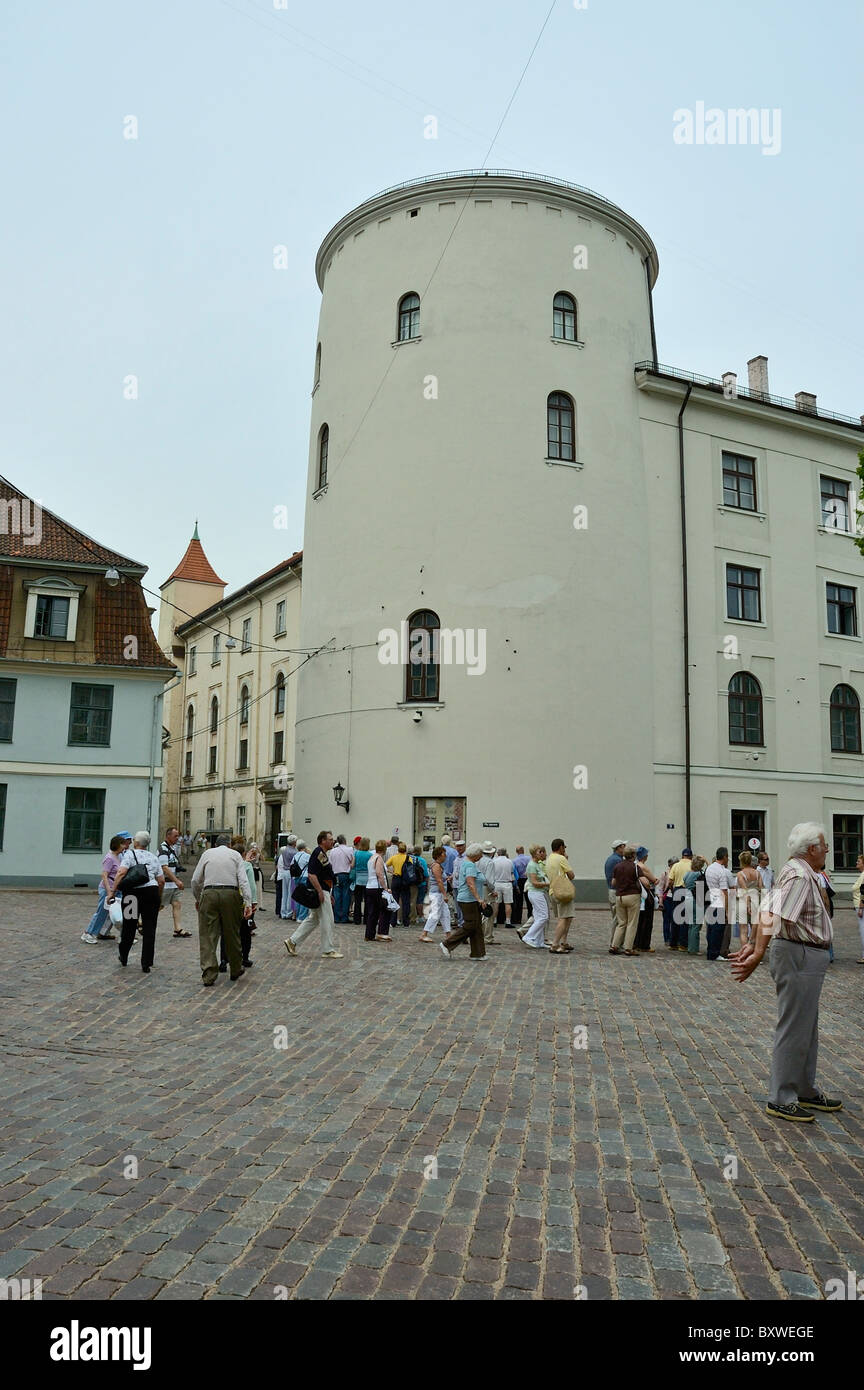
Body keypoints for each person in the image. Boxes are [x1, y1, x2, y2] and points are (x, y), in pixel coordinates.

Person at [731, 822, 841, 1123]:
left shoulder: (799, 872)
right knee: (794, 1026)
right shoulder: (800, 876)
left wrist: (754, 942)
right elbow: (771, 913)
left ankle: (803, 1087)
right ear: (812, 849)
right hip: (799, 954)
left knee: (806, 1027)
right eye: (824, 844)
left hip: (804, 955)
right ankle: (782, 1096)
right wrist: (757, 952)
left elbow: (767, 906)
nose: (828, 849)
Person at [191, 832, 253, 986]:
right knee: (232, 933)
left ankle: (209, 974)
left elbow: (195, 880)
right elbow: (243, 881)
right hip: (231, 893)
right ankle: (236, 968)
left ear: (215, 844)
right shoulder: (235, 855)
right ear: (230, 844)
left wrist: (198, 898)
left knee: (208, 935)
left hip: (209, 892)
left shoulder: (207, 854)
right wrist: (248, 902)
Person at [109, 831, 165, 973]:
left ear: (136, 842)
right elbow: (161, 881)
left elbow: (121, 873)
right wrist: (158, 898)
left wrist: (113, 891)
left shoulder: (129, 854)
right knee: (149, 928)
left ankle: (124, 955)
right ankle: (146, 962)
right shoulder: (153, 857)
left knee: (129, 925)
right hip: (151, 894)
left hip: (132, 895)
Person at [284, 830, 342, 959]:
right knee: (328, 920)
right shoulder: (318, 853)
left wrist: (328, 892)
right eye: (330, 839)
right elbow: (312, 874)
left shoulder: (322, 854)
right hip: (319, 891)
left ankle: (292, 941)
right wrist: (321, 891)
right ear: (323, 841)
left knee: (313, 919)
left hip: (323, 890)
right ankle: (328, 949)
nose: (333, 841)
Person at [440, 843, 487, 960]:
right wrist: (479, 898)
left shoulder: (466, 863)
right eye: (480, 854)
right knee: (470, 925)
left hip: (468, 899)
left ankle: (478, 953)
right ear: (476, 855)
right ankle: (447, 944)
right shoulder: (470, 865)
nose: (481, 857)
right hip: (469, 900)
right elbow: (470, 883)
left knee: (476, 926)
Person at [81, 834, 126, 942]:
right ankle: (88, 933)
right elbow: (104, 875)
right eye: (123, 844)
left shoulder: (117, 856)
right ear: (117, 845)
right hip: (107, 890)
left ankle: (104, 932)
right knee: (101, 912)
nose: (125, 846)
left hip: (115, 890)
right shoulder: (109, 858)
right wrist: (109, 891)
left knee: (113, 914)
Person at [704, 847, 737, 961]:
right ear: (724, 857)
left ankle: (710, 951)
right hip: (719, 903)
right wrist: (727, 910)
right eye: (727, 857)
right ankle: (714, 953)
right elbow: (724, 892)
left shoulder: (709, 868)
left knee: (711, 929)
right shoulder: (722, 871)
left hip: (711, 900)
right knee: (718, 931)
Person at [545, 837, 576, 952]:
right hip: (563, 892)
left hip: (553, 891)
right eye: (564, 847)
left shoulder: (549, 859)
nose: (565, 850)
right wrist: (566, 860)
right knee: (563, 919)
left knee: (567, 917)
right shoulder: (561, 859)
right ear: (561, 847)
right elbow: (571, 876)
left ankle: (564, 941)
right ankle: (556, 944)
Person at [157, 827, 190, 938]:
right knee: (159, 906)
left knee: (177, 904)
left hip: (173, 884)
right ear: (168, 836)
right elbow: (164, 868)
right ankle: (143, 921)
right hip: (166, 884)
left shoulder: (171, 848)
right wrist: (177, 881)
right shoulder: (163, 849)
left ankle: (178, 928)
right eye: (175, 836)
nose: (178, 838)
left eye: (178, 836)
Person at [610, 845, 641, 956]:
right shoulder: (635, 867)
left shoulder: (617, 866)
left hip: (620, 896)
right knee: (632, 923)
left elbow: (613, 883)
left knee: (621, 923)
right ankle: (628, 948)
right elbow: (643, 881)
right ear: (633, 855)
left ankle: (614, 945)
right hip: (632, 895)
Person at [519, 845, 550, 950]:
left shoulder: (536, 864)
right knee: (544, 916)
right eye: (540, 852)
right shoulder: (532, 865)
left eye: (542, 851)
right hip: (536, 892)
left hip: (538, 893)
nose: (543, 853)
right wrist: (548, 884)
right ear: (535, 854)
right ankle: (529, 936)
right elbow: (534, 882)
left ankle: (539, 941)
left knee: (538, 916)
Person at [419, 846, 450, 941]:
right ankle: (424, 934)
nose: (445, 856)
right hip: (437, 894)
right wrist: (445, 894)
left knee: (445, 914)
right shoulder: (436, 866)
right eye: (444, 854)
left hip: (438, 893)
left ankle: (448, 934)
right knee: (435, 914)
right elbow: (439, 881)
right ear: (439, 855)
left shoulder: (438, 866)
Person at [667, 848, 694, 951]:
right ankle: (683, 944)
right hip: (688, 890)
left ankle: (673, 943)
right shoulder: (692, 865)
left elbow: (670, 881)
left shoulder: (675, 865)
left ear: (682, 856)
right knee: (685, 918)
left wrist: (672, 890)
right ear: (691, 856)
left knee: (675, 917)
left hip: (677, 890)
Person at [633, 848, 659, 953]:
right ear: (644, 856)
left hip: (637, 895)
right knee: (647, 921)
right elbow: (653, 880)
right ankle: (644, 944)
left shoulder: (634, 865)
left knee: (639, 921)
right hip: (646, 895)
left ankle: (636, 942)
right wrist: (657, 880)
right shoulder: (643, 867)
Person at [364, 839, 389, 942]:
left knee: (372, 912)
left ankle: (369, 934)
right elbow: (379, 873)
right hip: (377, 887)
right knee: (385, 909)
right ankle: (382, 932)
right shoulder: (379, 858)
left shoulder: (371, 858)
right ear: (384, 849)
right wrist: (385, 888)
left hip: (369, 886)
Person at [736, 850, 761, 947]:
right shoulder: (757, 873)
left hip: (743, 902)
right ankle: (753, 951)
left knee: (743, 930)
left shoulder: (740, 874)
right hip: (756, 901)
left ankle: (744, 952)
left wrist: (747, 904)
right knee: (755, 929)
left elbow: (745, 890)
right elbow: (761, 887)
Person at [683, 854, 707, 954]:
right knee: (696, 925)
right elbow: (709, 871)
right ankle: (693, 949)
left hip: (687, 898)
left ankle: (690, 947)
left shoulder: (687, 874)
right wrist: (706, 860)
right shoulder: (698, 874)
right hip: (696, 899)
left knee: (691, 924)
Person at [604, 839, 627, 942]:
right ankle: (615, 942)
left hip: (612, 890)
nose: (625, 848)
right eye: (623, 846)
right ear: (618, 848)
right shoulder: (617, 860)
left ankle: (616, 942)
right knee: (618, 919)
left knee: (617, 917)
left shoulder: (611, 858)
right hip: (616, 891)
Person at [477, 841, 500, 945]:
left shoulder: (477, 860)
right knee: (488, 913)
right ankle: (487, 937)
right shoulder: (489, 862)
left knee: (480, 912)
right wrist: (493, 890)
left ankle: (479, 934)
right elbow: (489, 879)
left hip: (477, 887)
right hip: (486, 888)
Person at [329, 834, 355, 924]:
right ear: (345, 841)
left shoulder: (333, 851)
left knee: (336, 895)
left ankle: (336, 916)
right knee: (346, 895)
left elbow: (330, 864)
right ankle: (344, 917)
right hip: (346, 874)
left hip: (336, 874)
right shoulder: (350, 849)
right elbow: (352, 861)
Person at [490, 847, 516, 928]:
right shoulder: (510, 861)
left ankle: (494, 921)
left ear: (498, 853)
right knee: (508, 903)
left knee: (496, 903)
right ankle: (508, 921)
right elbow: (512, 872)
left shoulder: (494, 861)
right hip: (507, 883)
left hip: (497, 883)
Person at [276, 834, 297, 919]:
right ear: (294, 842)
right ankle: (288, 911)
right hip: (290, 872)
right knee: (289, 893)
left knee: (284, 893)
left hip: (284, 871)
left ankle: (283, 911)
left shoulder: (284, 850)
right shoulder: (294, 852)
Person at [656, 858, 676, 946]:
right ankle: (667, 938)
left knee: (676, 920)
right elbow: (660, 888)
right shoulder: (665, 874)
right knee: (667, 920)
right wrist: (660, 902)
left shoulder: (678, 872)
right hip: (667, 898)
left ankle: (674, 939)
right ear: (670, 865)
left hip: (677, 897)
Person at [352, 837, 371, 925]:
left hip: (358, 879)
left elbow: (352, 865)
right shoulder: (370, 855)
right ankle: (366, 919)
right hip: (367, 880)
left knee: (357, 900)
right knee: (367, 901)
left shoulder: (356, 853)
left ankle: (357, 919)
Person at [511, 845, 529, 926]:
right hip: (528, 879)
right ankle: (530, 918)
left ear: (516, 851)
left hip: (519, 880)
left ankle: (518, 919)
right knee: (529, 900)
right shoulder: (529, 859)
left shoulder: (514, 861)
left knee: (519, 901)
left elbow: (515, 873)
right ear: (523, 850)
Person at [852, 854, 864, 964]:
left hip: (862, 909)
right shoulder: (861, 875)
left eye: (858, 861)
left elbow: (863, 893)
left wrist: (861, 908)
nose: (857, 863)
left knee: (863, 931)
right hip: (859, 907)